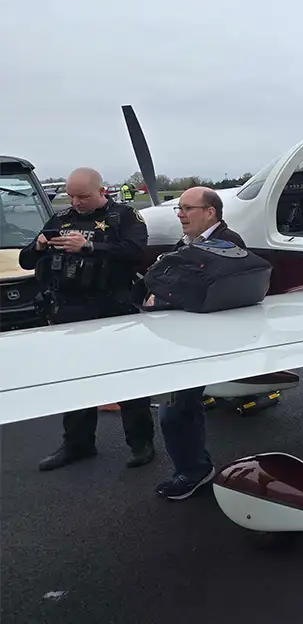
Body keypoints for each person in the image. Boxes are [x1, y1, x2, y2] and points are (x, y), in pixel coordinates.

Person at [19, 167, 157, 471]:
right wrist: (39, 245)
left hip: (114, 309)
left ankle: (141, 443)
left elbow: (136, 251)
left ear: (101, 191)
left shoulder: (124, 217)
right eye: (71, 195)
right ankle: (78, 444)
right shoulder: (62, 219)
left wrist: (90, 246)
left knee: (128, 379)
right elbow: (26, 260)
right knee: (75, 381)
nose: (76, 201)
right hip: (71, 311)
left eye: (83, 196)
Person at [151, 185, 243, 500]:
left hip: (206, 341)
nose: (180, 214)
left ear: (210, 212)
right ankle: (193, 467)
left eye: (187, 208)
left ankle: (194, 472)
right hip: (189, 335)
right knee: (181, 409)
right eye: (179, 208)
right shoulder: (192, 243)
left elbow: (190, 286)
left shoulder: (226, 245)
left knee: (174, 411)